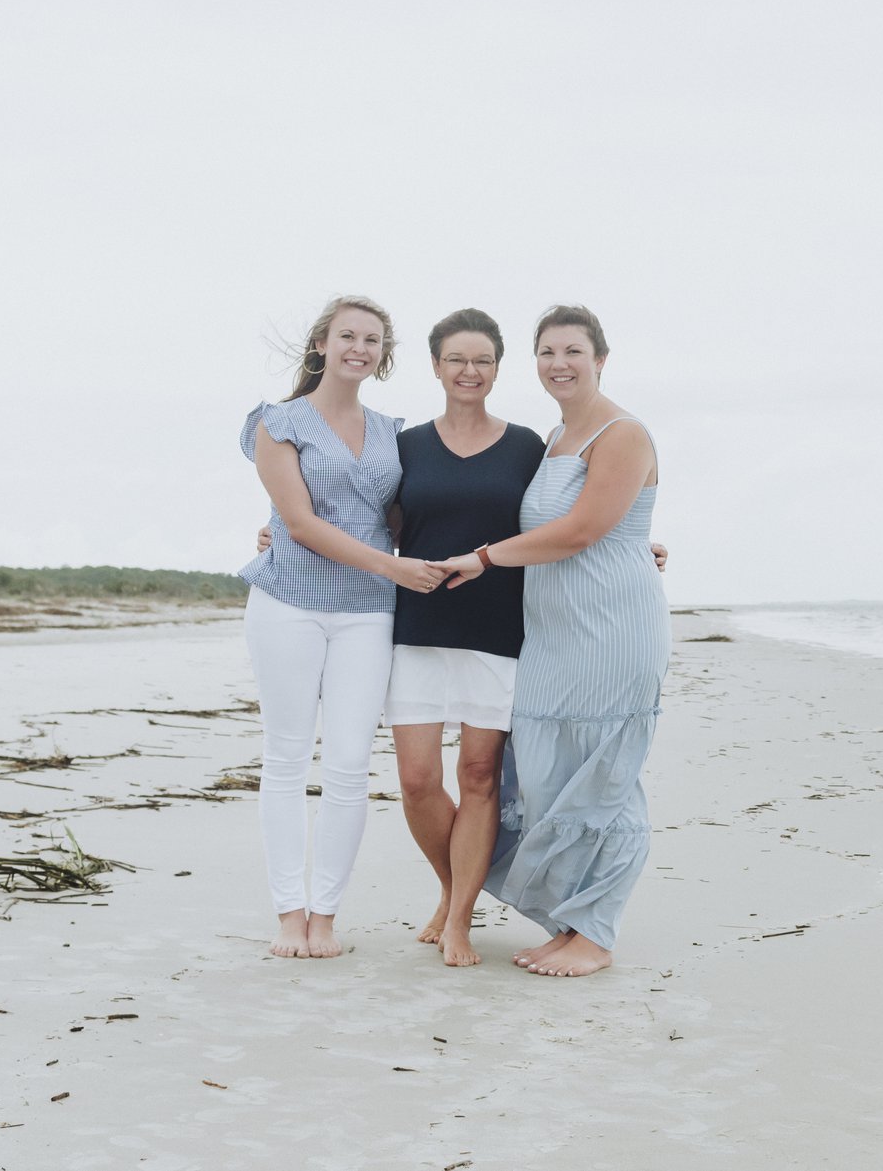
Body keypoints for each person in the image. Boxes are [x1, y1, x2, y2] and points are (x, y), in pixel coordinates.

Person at [435, 305, 670, 978]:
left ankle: (595, 932)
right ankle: (570, 920)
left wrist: (482, 558)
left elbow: (581, 530)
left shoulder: (624, 433)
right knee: (547, 777)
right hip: (551, 633)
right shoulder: (556, 436)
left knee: (604, 779)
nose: (559, 363)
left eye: (572, 351)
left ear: (601, 359)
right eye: (547, 352)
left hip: (612, 630)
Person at [239, 296, 444, 959]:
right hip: (289, 602)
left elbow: (413, 517)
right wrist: (392, 565)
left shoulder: (393, 433)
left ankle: (325, 918)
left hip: (367, 613)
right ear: (321, 344)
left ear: (384, 356)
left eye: (372, 340)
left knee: (351, 765)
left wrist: (624, 543)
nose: (359, 347)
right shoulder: (278, 421)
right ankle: (288, 915)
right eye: (348, 335)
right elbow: (299, 523)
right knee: (286, 756)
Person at [382, 309, 544, 967]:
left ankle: (458, 920)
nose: (469, 371)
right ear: (436, 366)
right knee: (417, 779)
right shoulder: (405, 447)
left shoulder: (527, 447)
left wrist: (633, 547)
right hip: (418, 625)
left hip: (496, 626)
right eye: (457, 359)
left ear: (498, 368)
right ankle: (454, 890)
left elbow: (560, 520)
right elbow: (366, 520)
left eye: (482, 360)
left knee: (478, 776)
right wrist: (278, 533)